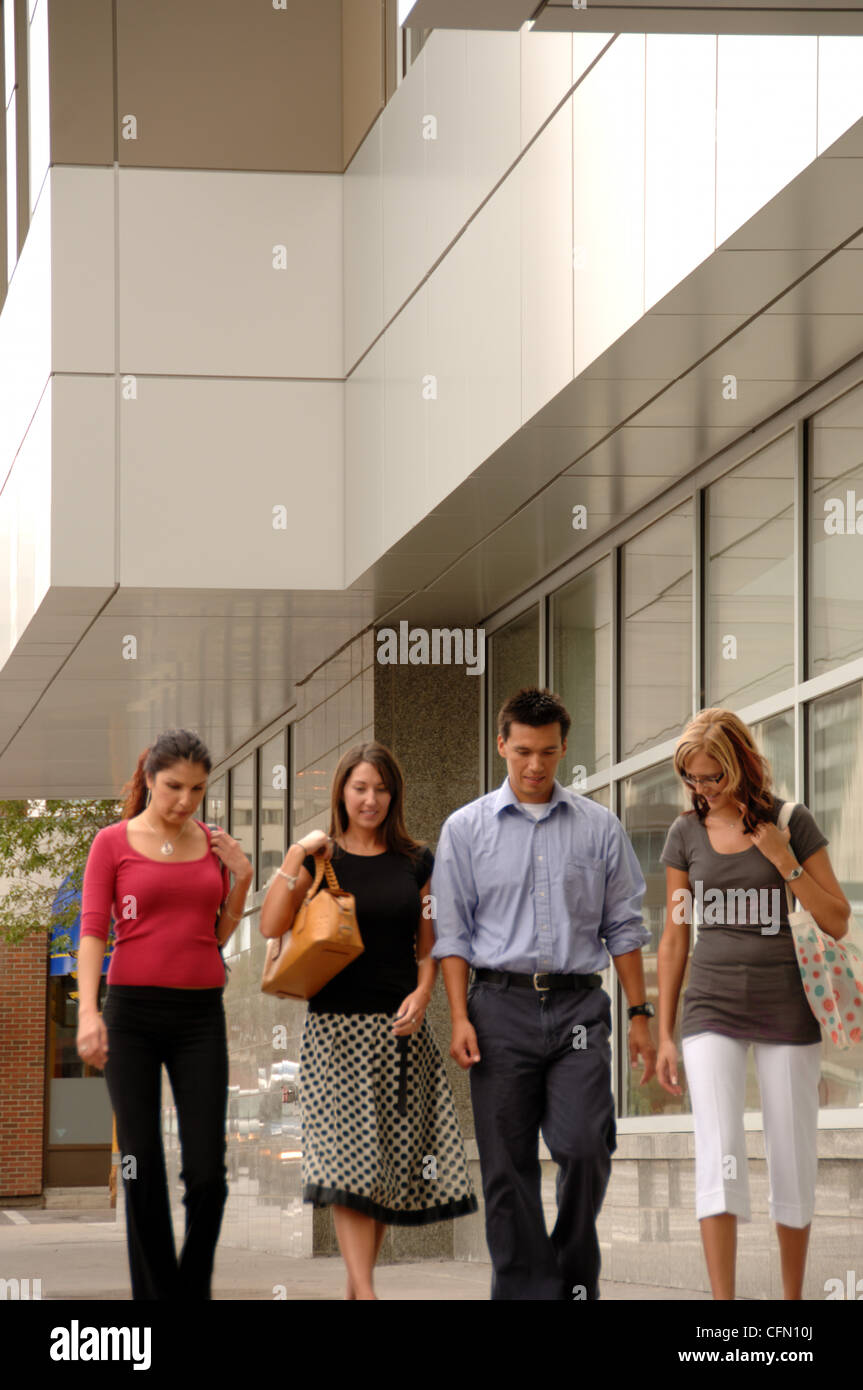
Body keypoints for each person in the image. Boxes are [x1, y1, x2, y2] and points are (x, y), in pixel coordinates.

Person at [431, 687, 656, 1301]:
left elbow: (625, 927)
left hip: (580, 1005)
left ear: (563, 749)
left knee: (585, 1146)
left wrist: (640, 1013)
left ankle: (569, 1279)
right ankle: (526, 1291)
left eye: (549, 753)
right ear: (501, 744)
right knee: (507, 1167)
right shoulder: (465, 829)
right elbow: (451, 936)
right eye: (523, 751)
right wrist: (458, 1017)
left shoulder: (598, 826)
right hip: (497, 1005)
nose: (535, 765)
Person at [260, 740, 477, 1301]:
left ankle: (359, 1289)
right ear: (342, 792)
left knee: (381, 1169)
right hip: (334, 1034)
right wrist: (295, 854)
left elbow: (430, 947)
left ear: (394, 795)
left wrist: (425, 993)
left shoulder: (417, 862)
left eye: (381, 789)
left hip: (399, 1035)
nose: (371, 799)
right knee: (347, 1168)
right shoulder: (320, 861)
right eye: (360, 787)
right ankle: (366, 1291)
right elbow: (270, 924)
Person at [656, 707, 851, 1300]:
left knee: (790, 1152)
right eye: (691, 778)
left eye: (713, 776)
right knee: (718, 1152)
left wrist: (782, 858)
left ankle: (791, 1305)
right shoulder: (684, 833)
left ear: (741, 764)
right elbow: (673, 935)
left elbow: (837, 920)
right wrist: (664, 1031)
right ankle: (724, 1310)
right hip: (710, 1006)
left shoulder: (792, 821)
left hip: (788, 1007)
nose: (702, 790)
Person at [77, 728, 253, 1299]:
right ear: (148, 779)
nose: (185, 801)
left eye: (198, 789)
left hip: (200, 1015)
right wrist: (88, 1013)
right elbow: (92, 932)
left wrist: (243, 878)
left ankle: (189, 1289)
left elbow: (218, 935)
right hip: (130, 1014)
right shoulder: (112, 843)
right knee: (140, 1164)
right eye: (174, 787)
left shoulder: (216, 845)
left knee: (208, 1172)